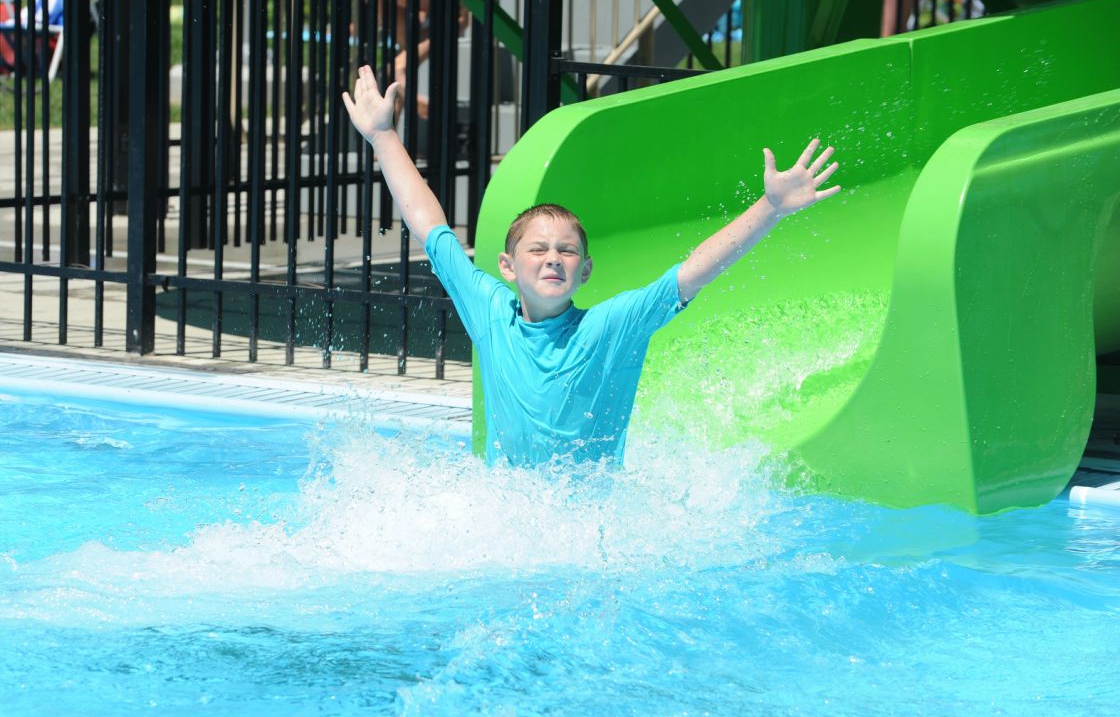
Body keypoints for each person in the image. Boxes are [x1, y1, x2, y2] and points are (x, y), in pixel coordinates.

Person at [342, 65, 840, 467]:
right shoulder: (490, 311)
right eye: (537, 249)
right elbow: (430, 227)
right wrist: (384, 136)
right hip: (511, 519)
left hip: (586, 525)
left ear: (586, 271)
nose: (553, 257)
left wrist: (770, 208)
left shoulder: (609, 326)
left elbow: (694, 271)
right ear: (507, 266)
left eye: (567, 250)